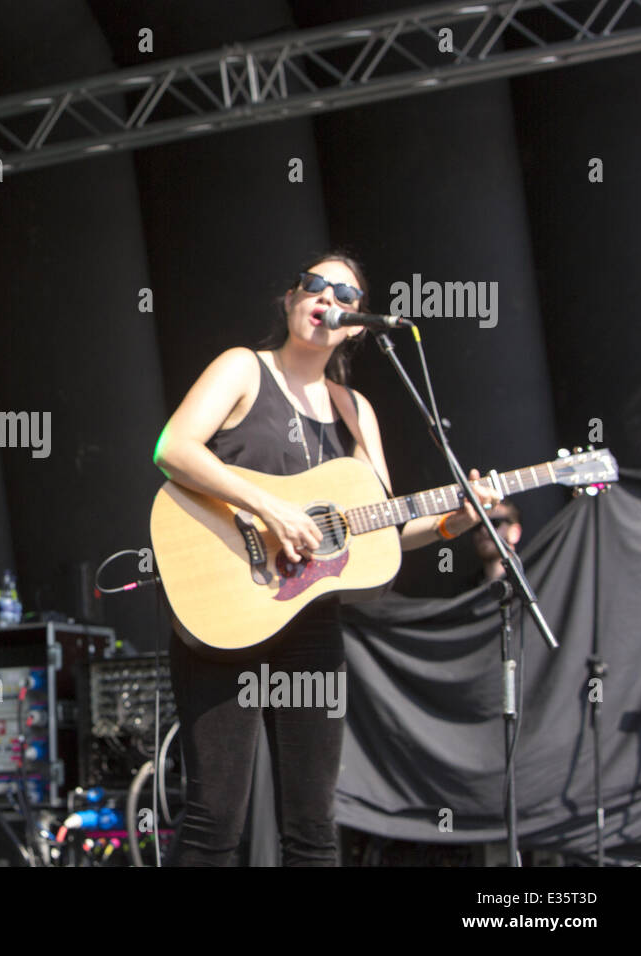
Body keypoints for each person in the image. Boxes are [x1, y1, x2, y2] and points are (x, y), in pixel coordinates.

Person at [153, 253, 499, 866]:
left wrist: (454, 521)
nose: (325, 296)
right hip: (225, 611)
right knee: (214, 820)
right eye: (314, 285)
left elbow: (381, 526)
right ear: (291, 300)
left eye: (344, 292)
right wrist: (270, 508)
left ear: (359, 323)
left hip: (309, 626)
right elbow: (173, 447)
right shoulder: (243, 369)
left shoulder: (355, 411)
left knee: (314, 827)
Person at [473, 498, 522, 582]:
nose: (483, 530)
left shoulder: (534, 581)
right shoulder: (463, 590)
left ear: (515, 532)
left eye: (494, 523)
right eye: (478, 525)